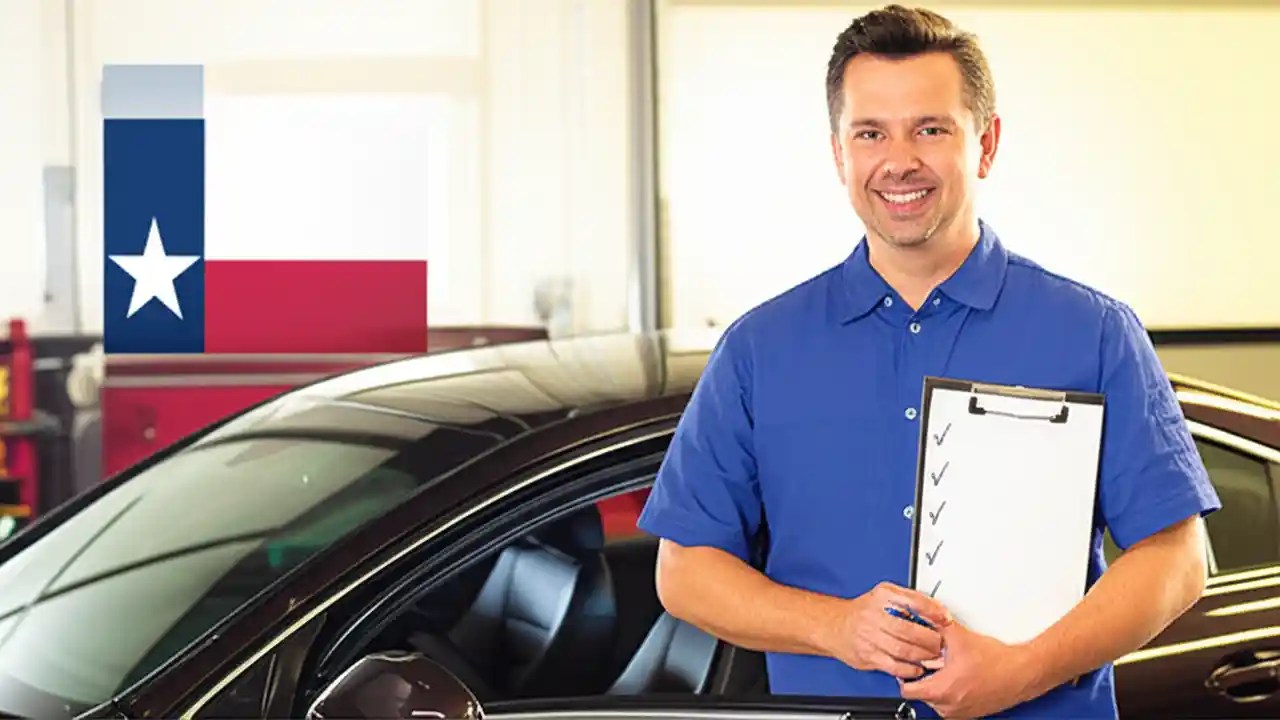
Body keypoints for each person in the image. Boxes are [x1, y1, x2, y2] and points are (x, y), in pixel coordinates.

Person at [636, 4, 1220, 719]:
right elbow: (685, 571)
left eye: (931, 129)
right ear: (839, 153)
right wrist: (836, 627)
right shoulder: (759, 350)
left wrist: (1026, 671)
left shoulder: (1094, 333)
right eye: (870, 133)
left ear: (986, 143)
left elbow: (1176, 561)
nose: (899, 160)